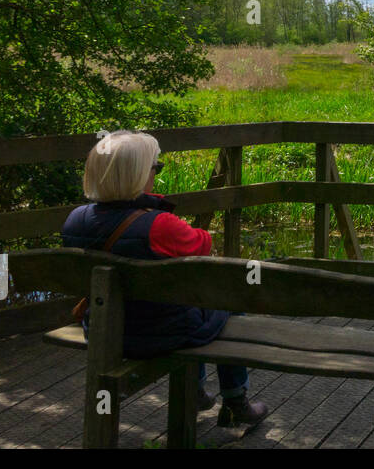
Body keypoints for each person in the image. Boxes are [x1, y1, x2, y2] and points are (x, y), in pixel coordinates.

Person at [61, 129, 269, 429]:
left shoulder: (75, 219)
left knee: (192, 302)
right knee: (223, 301)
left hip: (103, 331)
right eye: (155, 167)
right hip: (161, 333)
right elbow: (203, 242)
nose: (156, 174)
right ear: (137, 174)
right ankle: (236, 401)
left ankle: (199, 393)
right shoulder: (160, 226)